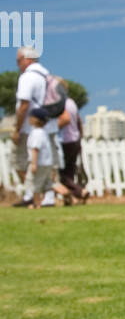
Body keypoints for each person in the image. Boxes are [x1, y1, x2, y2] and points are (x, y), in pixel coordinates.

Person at [11, 47, 60, 207]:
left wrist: (17, 129)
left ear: (27, 59)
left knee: (20, 163)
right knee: (48, 166)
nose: (17, 64)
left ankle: (30, 195)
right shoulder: (48, 76)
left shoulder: (27, 77)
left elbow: (24, 104)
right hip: (50, 127)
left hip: (29, 128)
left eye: (18, 60)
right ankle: (48, 198)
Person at [24, 109, 68, 208]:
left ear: (35, 119)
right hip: (47, 163)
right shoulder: (44, 132)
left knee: (35, 184)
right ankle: (67, 194)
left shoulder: (36, 133)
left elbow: (35, 149)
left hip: (39, 163)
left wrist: (33, 163)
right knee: (48, 183)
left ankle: (36, 204)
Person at [57, 90, 89, 204]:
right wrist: (80, 136)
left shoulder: (59, 104)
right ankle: (72, 199)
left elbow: (65, 119)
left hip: (64, 141)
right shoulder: (71, 102)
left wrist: (50, 129)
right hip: (75, 140)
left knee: (61, 174)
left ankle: (80, 192)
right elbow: (78, 121)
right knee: (70, 172)